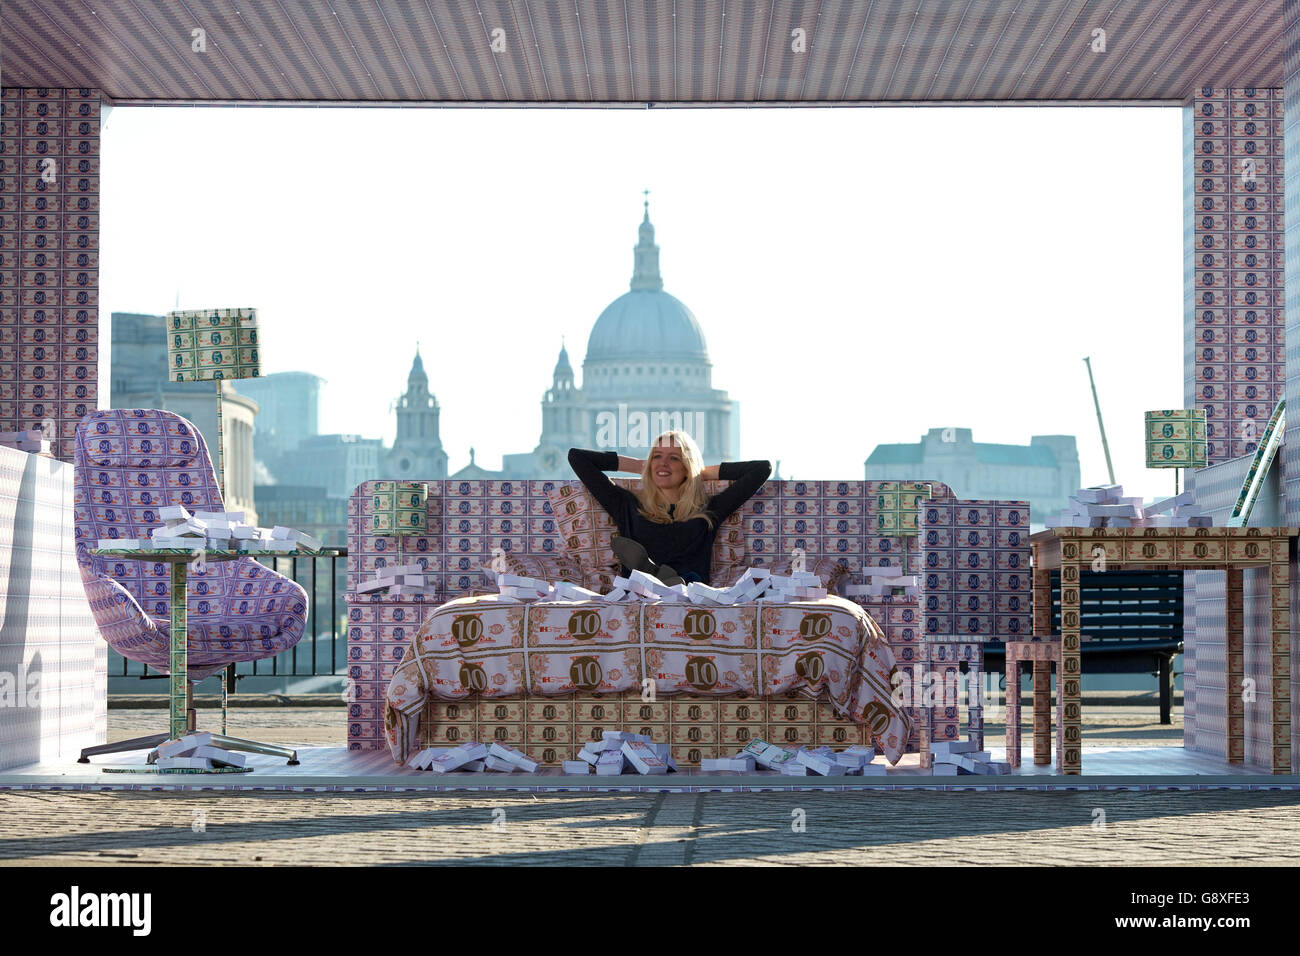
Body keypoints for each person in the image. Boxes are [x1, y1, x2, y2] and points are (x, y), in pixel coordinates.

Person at [566, 430, 772, 586]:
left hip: (688, 594)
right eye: (657, 456)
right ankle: (651, 577)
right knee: (644, 586)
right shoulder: (627, 505)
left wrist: (699, 471)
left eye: (674, 458)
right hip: (641, 595)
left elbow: (761, 469)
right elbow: (577, 457)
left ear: (687, 466)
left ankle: (671, 583)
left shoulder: (709, 511)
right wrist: (641, 465)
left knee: (687, 584)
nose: (663, 463)